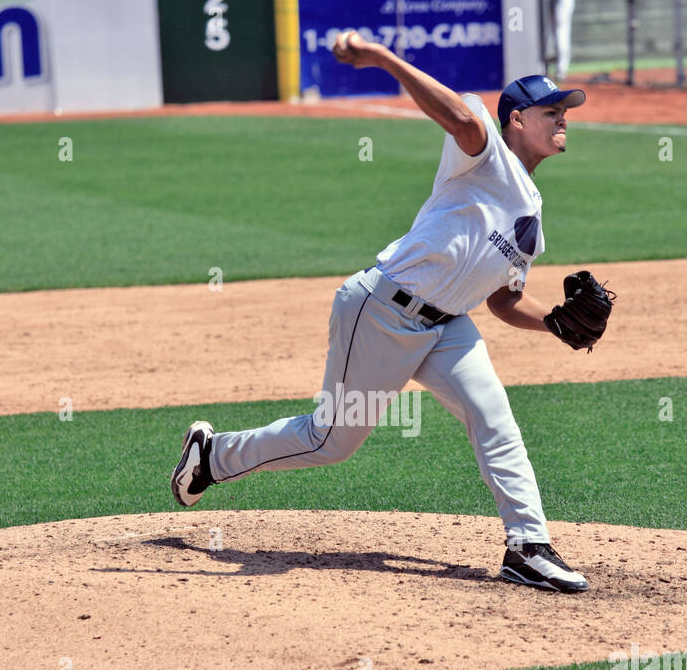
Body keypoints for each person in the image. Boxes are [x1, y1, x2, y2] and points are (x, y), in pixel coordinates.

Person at [171, 29, 592, 593]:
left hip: (448, 327)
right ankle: (213, 455)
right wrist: (380, 59)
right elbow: (461, 118)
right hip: (381, 311)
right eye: (552, 110)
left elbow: (502, 300)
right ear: (516, 120)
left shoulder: (532, 216)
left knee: (494, 419)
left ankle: (527, 546)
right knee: (330, 441)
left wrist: (553, 321)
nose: (564, 118)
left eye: (566, 110)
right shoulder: (486, 154)